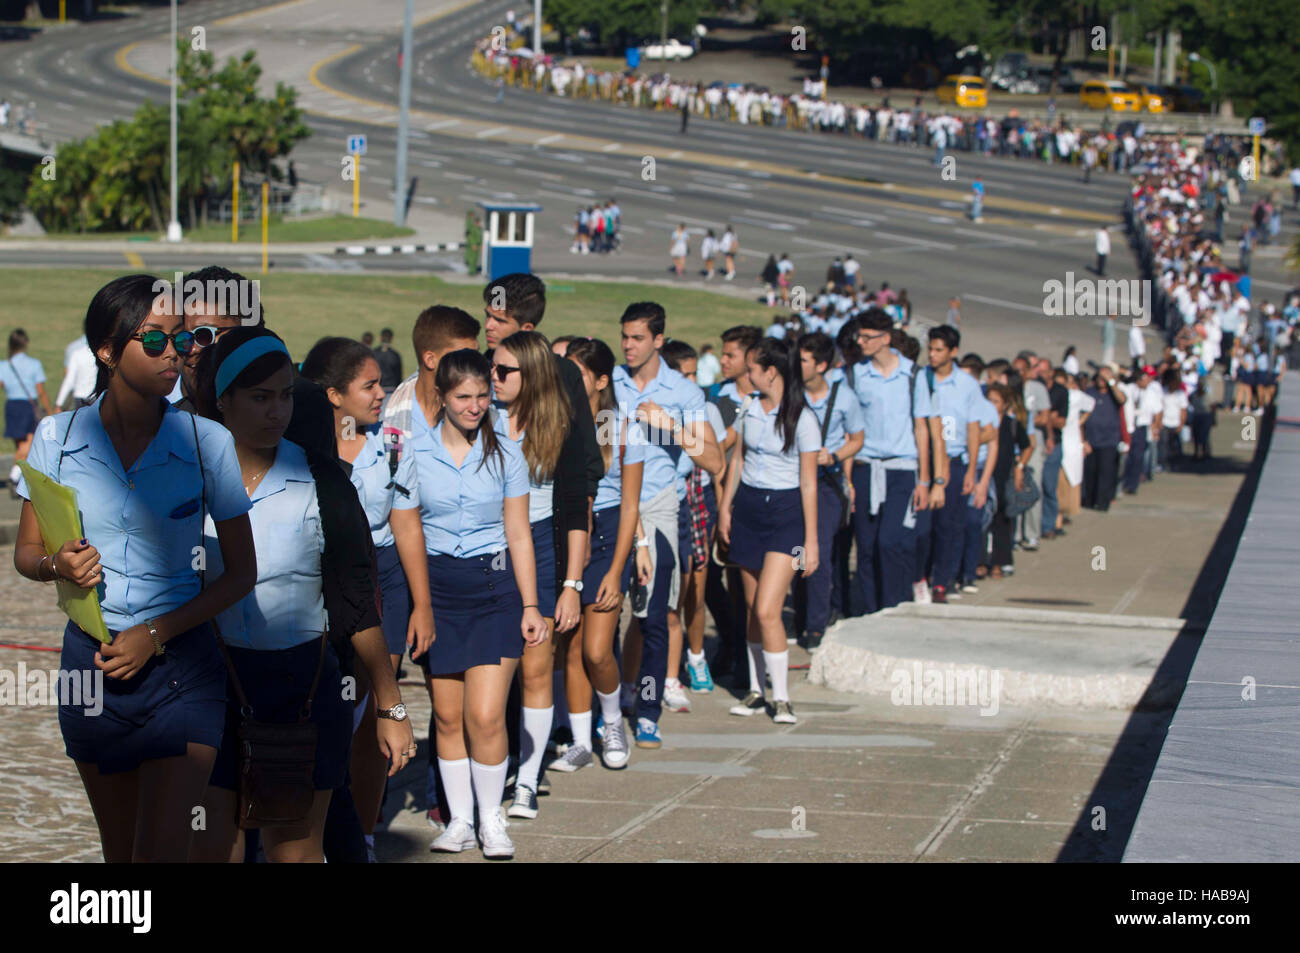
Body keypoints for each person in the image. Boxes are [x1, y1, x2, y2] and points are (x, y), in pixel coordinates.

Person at [13, 275, 258, 862]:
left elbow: (241, 573)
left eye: (178, 340)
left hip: (184, 672)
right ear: (105, 350)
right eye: (153, 341)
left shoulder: (208, 443)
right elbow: (25, 554)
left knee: (159, 852)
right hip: (90, 669)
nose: (173, 353)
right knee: (118, 856)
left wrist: (155, 634)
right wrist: (56, 565)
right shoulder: (57, 437)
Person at [188, 327, 413, 863]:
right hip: (209, 684)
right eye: (260, 398)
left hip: (301, 685)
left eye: (286, 395)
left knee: (294, 850)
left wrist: (390, 702)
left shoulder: (323, 481)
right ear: (224, 401)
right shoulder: (188, 475)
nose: (277, 411)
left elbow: (357, 601)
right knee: (212, 847)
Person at [300, 336, 434, 858]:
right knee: (329, 709)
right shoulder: (299, 445)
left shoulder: (395, 444)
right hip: (318, 578)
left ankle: (365, 835)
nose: (382, 394)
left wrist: (421, 604)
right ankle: (315, 826)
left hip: (383, 581)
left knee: (374, 712)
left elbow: (406, 525)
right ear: (333, 394)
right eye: (369, 385)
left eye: (381, 383)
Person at [413, 349, 549, 860]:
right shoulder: (415, 453)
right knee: (447, 718)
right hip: (439, 589)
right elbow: (407, 523)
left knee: (486, 715)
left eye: (482, 396)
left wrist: (531, 606)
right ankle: (460, 820)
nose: (475, 406)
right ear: (442, 397)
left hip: (495, 591)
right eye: (463, 397)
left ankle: (493, 819)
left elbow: (519, 532)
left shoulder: (508, 454)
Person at [381, 305, 482, 836]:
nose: (474, 365)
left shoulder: (475, 411)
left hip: (456, 572)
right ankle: (371, 793)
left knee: (453, 696)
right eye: (462, 354)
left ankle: (451, 799)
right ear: (430, 359)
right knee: (384, 685)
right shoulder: (392, 417)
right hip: (399, 571)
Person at [613, 303, 722, 747]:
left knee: (654, 617)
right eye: (624, 336)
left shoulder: (683, 392)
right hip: (610, 505)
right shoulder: (611, 382)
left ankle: (648, 709)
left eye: (637, 337)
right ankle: (612, 698)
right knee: (605, 616)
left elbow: (714, 460)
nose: (628, 345)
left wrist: (671, 426)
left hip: (658, 509)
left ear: (659, 340)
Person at [489, 331, 587, 819]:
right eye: (493, 366)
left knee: (534, 668)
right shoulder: (476, 415)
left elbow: (575, 512)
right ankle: (494, 768)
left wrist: (572, 586)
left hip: (543, 549)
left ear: (531, 377)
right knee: (491, 670)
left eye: (504, 371)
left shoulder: (558, 426)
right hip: (487, 553)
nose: (493, 376)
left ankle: (528, 778)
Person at [555, 338, 647, 772]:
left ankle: (613, 723)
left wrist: (617, 568)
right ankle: (578, 740)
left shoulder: (622, 427)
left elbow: (631, 506)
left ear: (601, 379)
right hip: (569, 530)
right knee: (570, 648)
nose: (569, 380)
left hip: (609, 535)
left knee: (596, 650)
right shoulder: (558, 420)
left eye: (578, 372)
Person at [718, 338, 820, 724]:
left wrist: (811, 541)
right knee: (751, 610)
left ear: (770, 371)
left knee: (768, 609)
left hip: (787, 514)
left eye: (752, 369)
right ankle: (756, 690)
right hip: (748, 508)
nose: (747, 376)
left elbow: (809, 483)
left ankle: (781, 696)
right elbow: (739, 459)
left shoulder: (803, 419)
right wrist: (726, 508)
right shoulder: (748, 408)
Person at [849, 309, 940, 615]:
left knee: (891, 542)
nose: (860, 341)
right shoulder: (856, 375)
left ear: (886, 338)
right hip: (865, 467)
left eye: (867, 336)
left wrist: (926, 480)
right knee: (866, 547)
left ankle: (896, 608)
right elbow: (850, 428)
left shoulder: (913, 375)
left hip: (902, 469)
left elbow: (922, 429)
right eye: (858, 335)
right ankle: (871, 612)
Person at [795, 332, 863, 648]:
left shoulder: (844, 397)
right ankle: (799, 616)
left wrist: (834, 456)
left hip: (826, 483)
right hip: (793, 481)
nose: (797, 364)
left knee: (817, 549)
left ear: (821, 365)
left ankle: (816, 625)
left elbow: (858, 439)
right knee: (793, 551)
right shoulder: (792, 394)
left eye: (804, 360)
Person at [925, 326, 981, 603]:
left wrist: (971, 469)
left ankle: (942, 582)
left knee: (949, 526)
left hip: (955, 461)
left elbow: (973, 428)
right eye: (930, 349)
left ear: (953, 352)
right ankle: (920, 577)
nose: (932, 355)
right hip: (926, 461)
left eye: (939, 350)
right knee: (924, 527)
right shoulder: (921, 378)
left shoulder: (968, 385)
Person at [986, 383, 1032, 578]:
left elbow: (1028, 446)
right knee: (981, 520)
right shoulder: (980, 422)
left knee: (1002, 521)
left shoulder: (1011, 425)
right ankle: (980, 562)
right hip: (984, 476)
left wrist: (1020, 467)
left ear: (1004, 405)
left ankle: (1000, 561)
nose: (990, 404)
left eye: (995, 401)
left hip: (1004, 477)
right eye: (988, 400)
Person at [3, 329, 55, 493]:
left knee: (20, 445)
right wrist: (49, 410)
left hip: (11, 405)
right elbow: (40, 391)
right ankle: (14, 476)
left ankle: (17, 476)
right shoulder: (34, 364)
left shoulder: (4, 365)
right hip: (27, 406)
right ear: (25, 343)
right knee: (28, 445)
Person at [1082, 369, 1124, 511]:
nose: (1102, 380)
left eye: (1105, 377)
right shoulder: (1090, 392)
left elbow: (1122, 400)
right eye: (1100, 377)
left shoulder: (1114, 393)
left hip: (1109, 440)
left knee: (1106, 472)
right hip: (1091, 438)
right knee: (1090, 472)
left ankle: (1102, 502)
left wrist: (1111, 382)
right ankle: (1088, 500)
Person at [57, 334, 98, 412]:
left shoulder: (77, 353)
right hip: (96, 396)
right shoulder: (100, 354)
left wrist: (59, 403)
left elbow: (69, 380)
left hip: (80, 396)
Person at [1158, 366, 1187, 471]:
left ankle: (1176, 464)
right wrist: (1159, 422)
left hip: (1176, 423)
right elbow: (1160, 408)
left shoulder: (1181, 394)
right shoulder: (1163, 392)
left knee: (1175, 445)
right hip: (1165, 422)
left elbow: (1183, 410)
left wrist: (1181, 424)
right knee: (1163, 444)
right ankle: (1163, 463)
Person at [372, 328, 403, 397]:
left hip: (377, 389)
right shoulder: (395, 355)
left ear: (380, 338)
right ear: (391, 339)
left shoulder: (374, 353)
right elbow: (398, 375)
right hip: (391, 389)